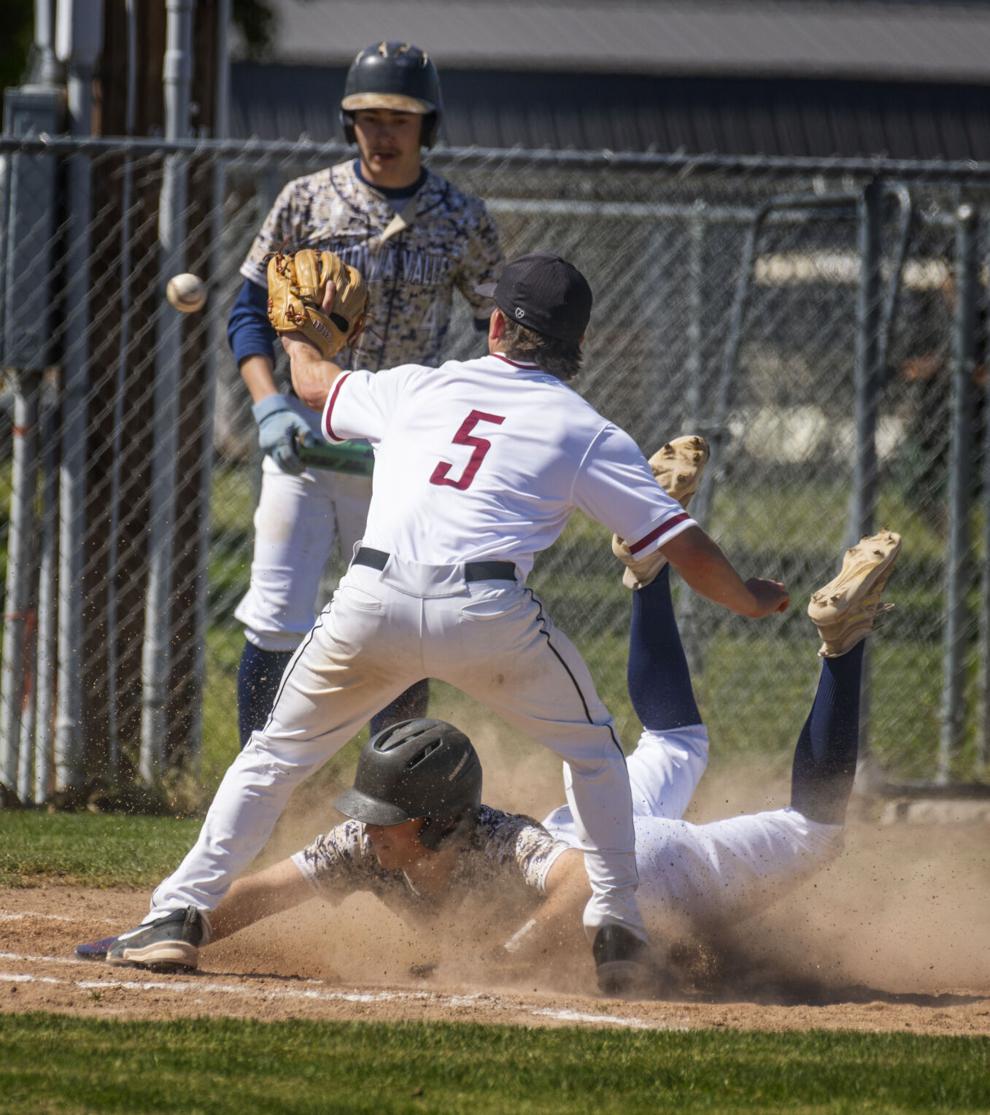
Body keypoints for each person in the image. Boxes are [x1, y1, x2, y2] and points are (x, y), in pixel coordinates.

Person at [101, 256, 789, 991]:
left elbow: (313, 385)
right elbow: (682, 542)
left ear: (495, 326)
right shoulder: (585, 429)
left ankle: (177, 914)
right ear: (578, 344)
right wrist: (747, 599)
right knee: (593, 752)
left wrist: (299, 336)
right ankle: (616, 926)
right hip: (486, 614)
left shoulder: (417, 386)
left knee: (273, 755)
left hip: (372, 601)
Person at [77, 485, 901, 997]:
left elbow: (588, 879)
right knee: (677, 741)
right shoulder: (374, 842)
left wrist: (508, 955)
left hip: (655, 867)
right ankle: (647, 573)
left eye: (384, 815)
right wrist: (180, 924)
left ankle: (844, 642)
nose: (365, 826)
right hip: (581, 825)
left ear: (435, 821)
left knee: (815, 834)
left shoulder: (504, 846)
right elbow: (265, 889)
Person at [229, 41, 503, 746]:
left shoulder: (461, 216)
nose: (383, 134)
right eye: (369, 118)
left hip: (399, 454)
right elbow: (247, 311)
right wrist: (267, 404)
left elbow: (497, 330)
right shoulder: (307, 199)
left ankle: (396, 789)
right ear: (348, 122)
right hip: (304, 442)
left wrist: (460, 415)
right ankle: (258, 777)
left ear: (427, 127)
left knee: (400, 626)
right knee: (275, 616)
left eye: (400, 119)